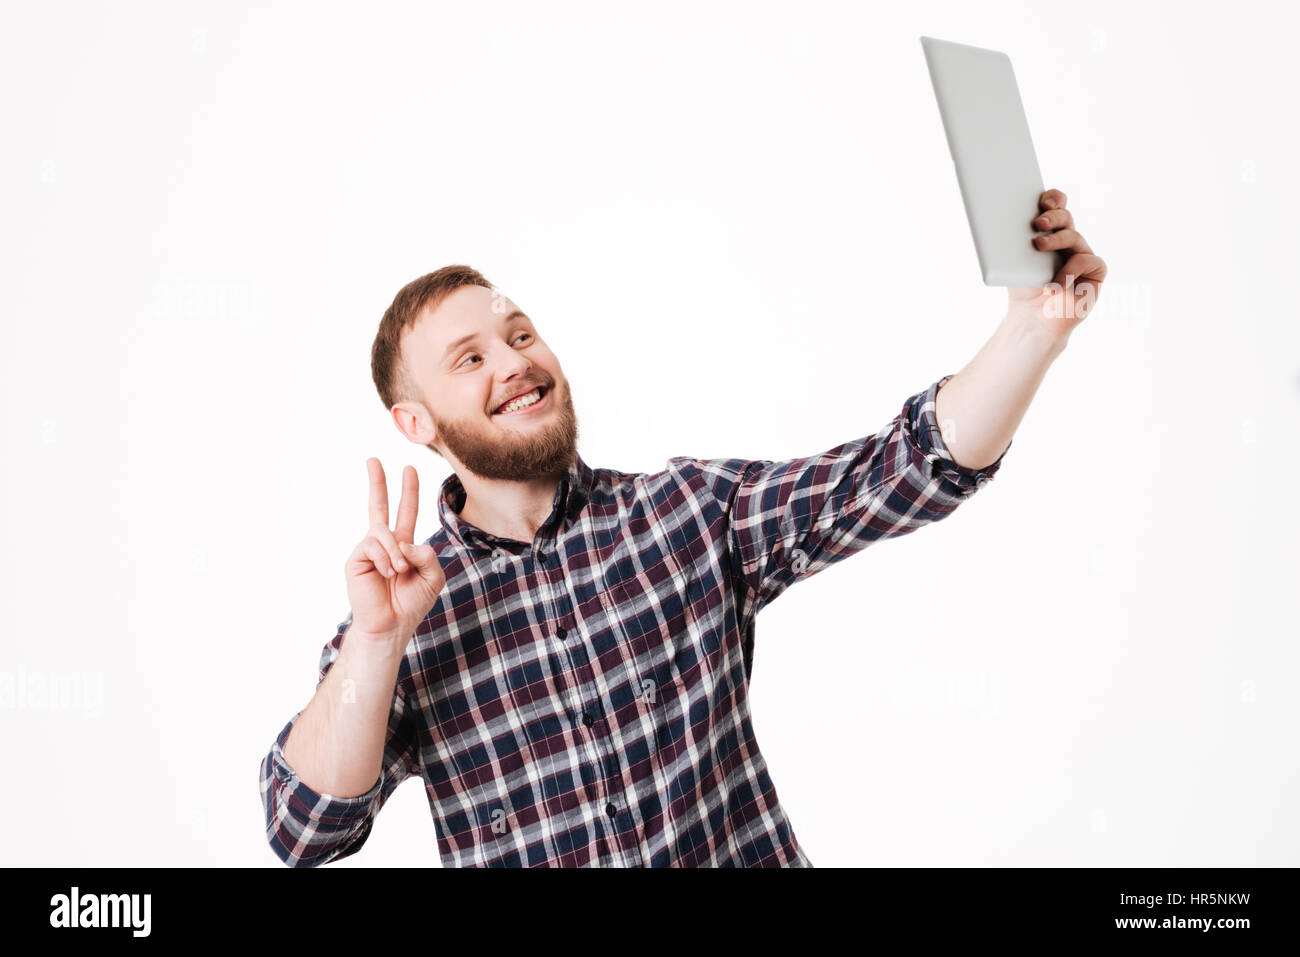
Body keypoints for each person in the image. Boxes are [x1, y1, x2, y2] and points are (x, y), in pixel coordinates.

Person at [258, 189, 1106, 866]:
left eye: (520, 334)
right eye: (470, 358)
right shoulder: (403, 613)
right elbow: (303, 830)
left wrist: (1034, 329)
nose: (516, 361)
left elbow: (906, 466)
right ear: (417, 424)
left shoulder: (687, 513)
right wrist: (376, 644)